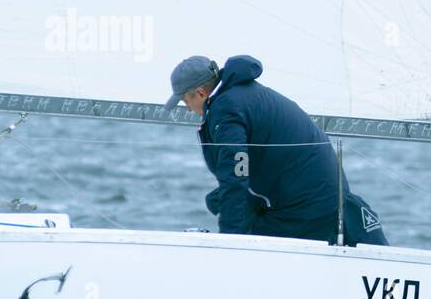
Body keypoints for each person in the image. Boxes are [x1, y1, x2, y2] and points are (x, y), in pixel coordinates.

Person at [164, 54, 387, 245]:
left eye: (185, 101)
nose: (188, 109)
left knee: (229, 203)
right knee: (218, 199)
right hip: (331, 196)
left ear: (201, 93)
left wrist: (230, 242)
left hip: (308, 208)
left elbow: (235, 176)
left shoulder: (226, 109)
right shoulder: (246, 93)